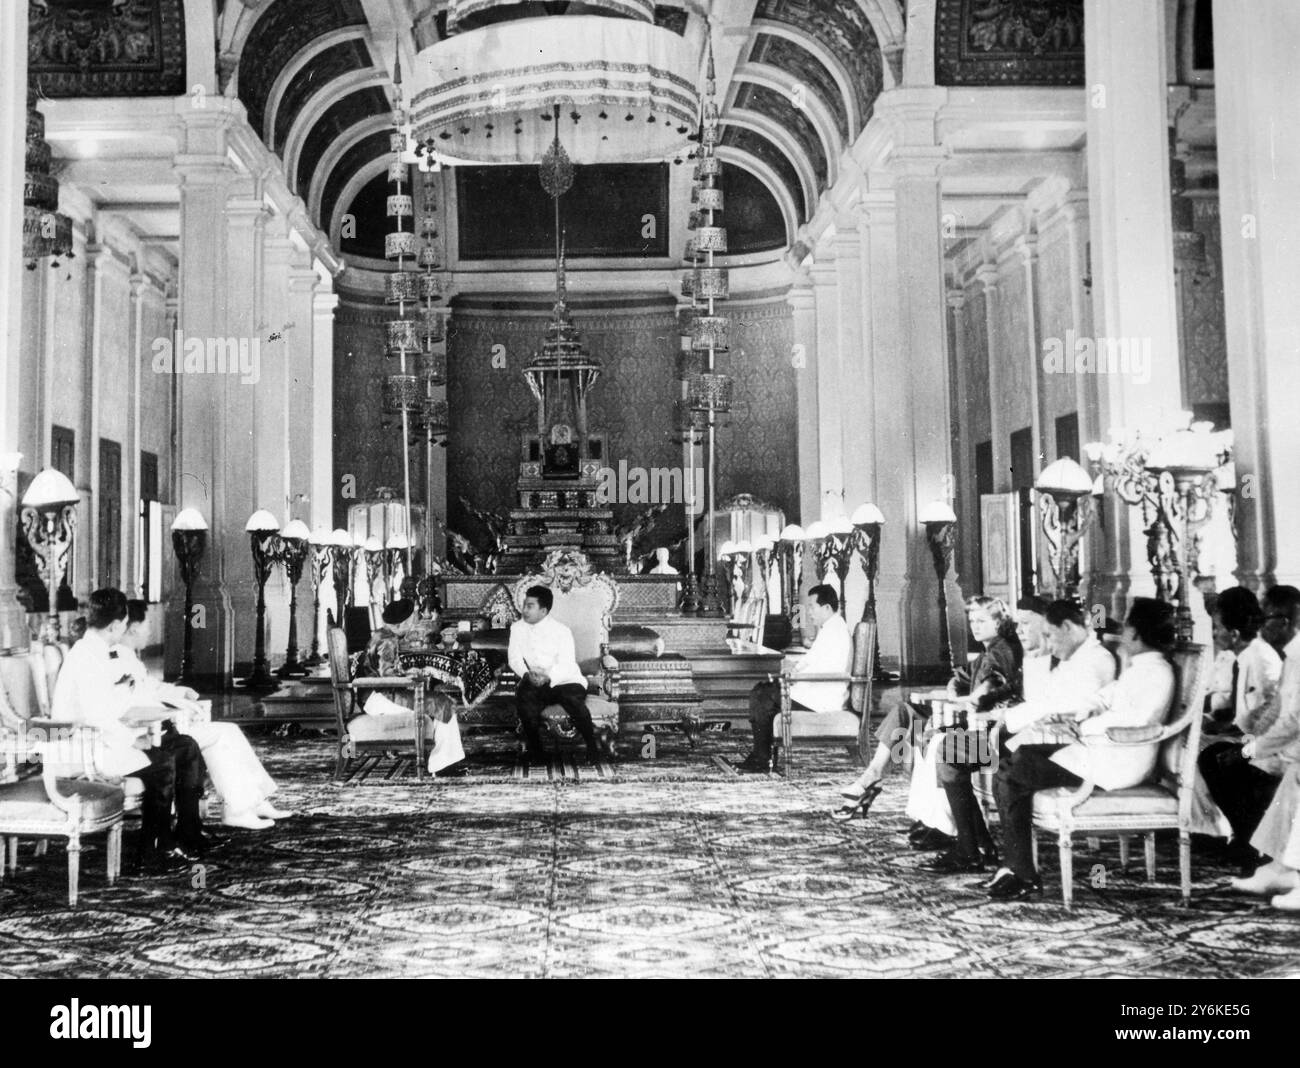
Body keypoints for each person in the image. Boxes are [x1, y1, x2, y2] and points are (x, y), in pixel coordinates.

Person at [988, 598, 1176, 902]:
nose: (1123, 633)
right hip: (1099, 751)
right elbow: (1104, 698)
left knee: (1012, 766)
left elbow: (1137, 722)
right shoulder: (1139, 668)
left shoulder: (1156, 672)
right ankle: (1012, 865)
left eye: (1127, 627)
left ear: (1138, 634)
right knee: (1010, 762)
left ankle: (1020, 872)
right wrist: (1082, 715)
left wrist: (1085, 726)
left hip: (1118, 762)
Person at [50, 588, 208, 870]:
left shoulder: (101, 652)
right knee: (162, 763)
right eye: (123, 625)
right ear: (114, 626)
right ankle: (151, 853)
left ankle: (188, 835)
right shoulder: (84, 657)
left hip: (109, 737)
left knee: (186, 747)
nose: (124, 629)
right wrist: (135, 741)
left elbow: (111, 705)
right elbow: (96, 715)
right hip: (88, 745)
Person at [116, 600, 291, 830]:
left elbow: (152, 688)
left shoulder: (128, 656)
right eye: (147, 623)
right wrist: (176, 707)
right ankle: (237, 809)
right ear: (134, 627)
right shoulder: (119, 658)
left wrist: (180, 692)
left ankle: (253, 801)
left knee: (229, 730)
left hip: (159, 726)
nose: (150, 628)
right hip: (149, 732)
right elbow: (137, 702)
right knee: (221, 736)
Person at [918, 596, 1023, 873]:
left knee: (944, 748)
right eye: (972, 621)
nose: (974, 626)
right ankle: (972, 841)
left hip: (997, 734)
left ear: (999, 622)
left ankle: (969, 845)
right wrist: (955, 688)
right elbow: (960, 676)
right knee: (930, 739)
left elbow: (993, 682)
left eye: (981, 621)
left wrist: (976, 696)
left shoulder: (1002, 650)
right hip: (984, 729)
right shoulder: (987, 651)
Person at [1197, 587, 1284, 865]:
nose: (1214, 634)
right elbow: (1247, 716)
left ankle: (1250, 839)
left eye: (1217, 628)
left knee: (1215, 759)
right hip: (1256, 742)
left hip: (1276, 750)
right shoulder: (1243, 657)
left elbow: (1273, 722)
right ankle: (1233, 833)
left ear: (1234, 634)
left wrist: (1241, 750)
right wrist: (1221, 727)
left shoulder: (1261, 660)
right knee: (1207, 751)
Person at [738, 584, 850, 773]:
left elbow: (823, 671)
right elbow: (812, 661)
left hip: (820, 698)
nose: (809, 613)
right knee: (762, 691)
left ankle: (761, 759)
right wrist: (793, 671)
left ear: (827, 608)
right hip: (813, 691)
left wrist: (794, 677)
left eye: (812, 607)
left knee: (762, 694)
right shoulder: (831, 628)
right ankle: (761, 757)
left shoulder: (835, 632)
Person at [508, 585, 601, 763]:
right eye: (524, 605)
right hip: (534, 679)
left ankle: (592, 747)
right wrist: (527, 674)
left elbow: (567, 663)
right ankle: (537, 751)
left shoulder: (561, 631)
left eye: (529, 606)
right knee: (524, 698)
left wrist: (548, 676)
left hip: (565, 679)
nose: (524, 610)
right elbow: (514, 658)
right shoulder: (517, 628)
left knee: (573, 700)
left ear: (543, 610)